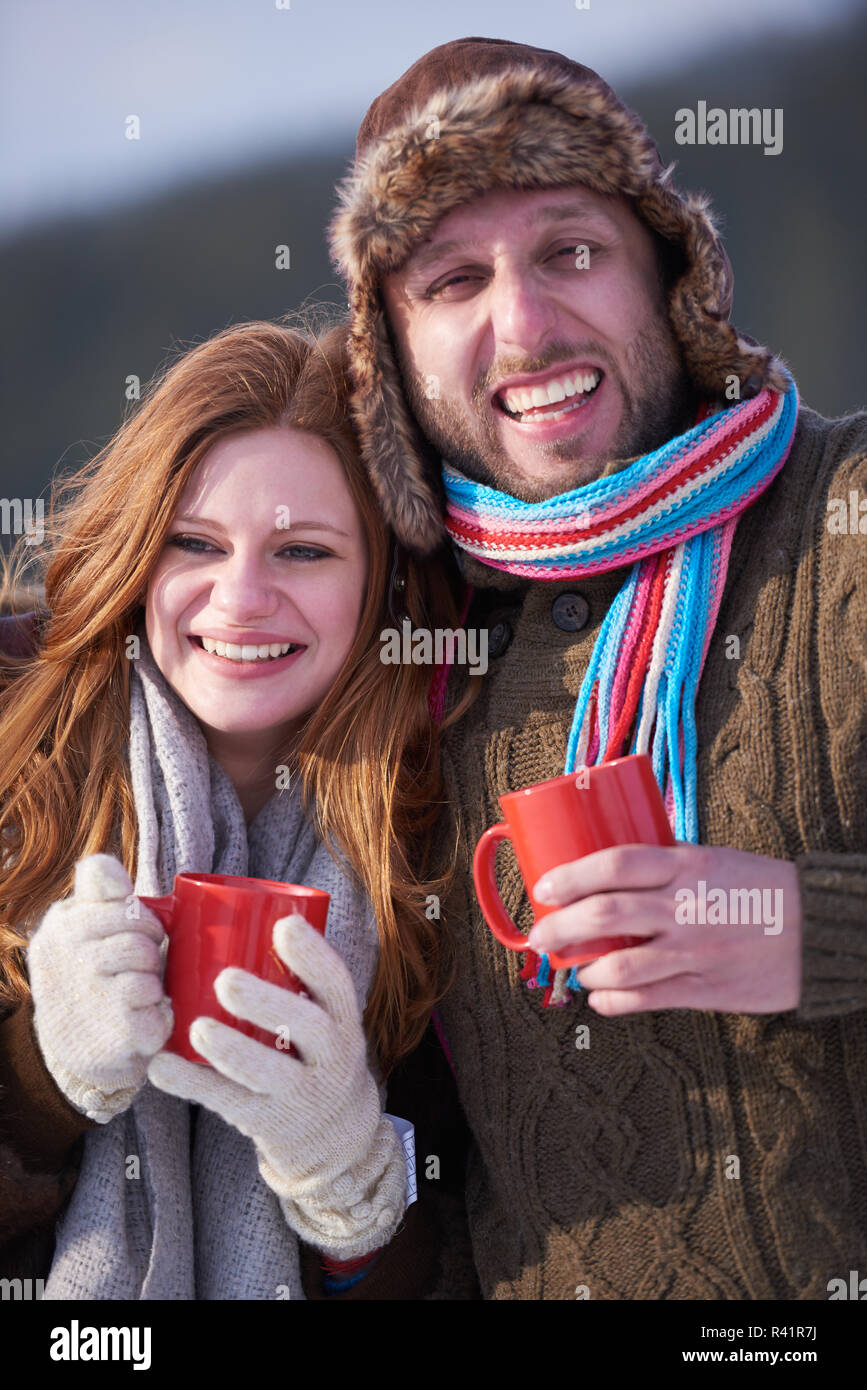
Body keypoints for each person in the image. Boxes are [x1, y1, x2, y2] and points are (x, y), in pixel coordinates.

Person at [326, 36, 867, 1299]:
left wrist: (811, 932)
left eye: (571, 251)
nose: (523, 325)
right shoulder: (388, 668)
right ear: (392, 353)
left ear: (667, 272)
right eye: (454, 280)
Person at [0, 319, 478, 1299]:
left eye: (303, 551)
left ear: (382, 581)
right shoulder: (14, 723)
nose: (243, 597)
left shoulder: (440, 814)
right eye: (195, 543)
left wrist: (346, 1179)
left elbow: (466, 1252)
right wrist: (47, 1073)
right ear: (139, 550)